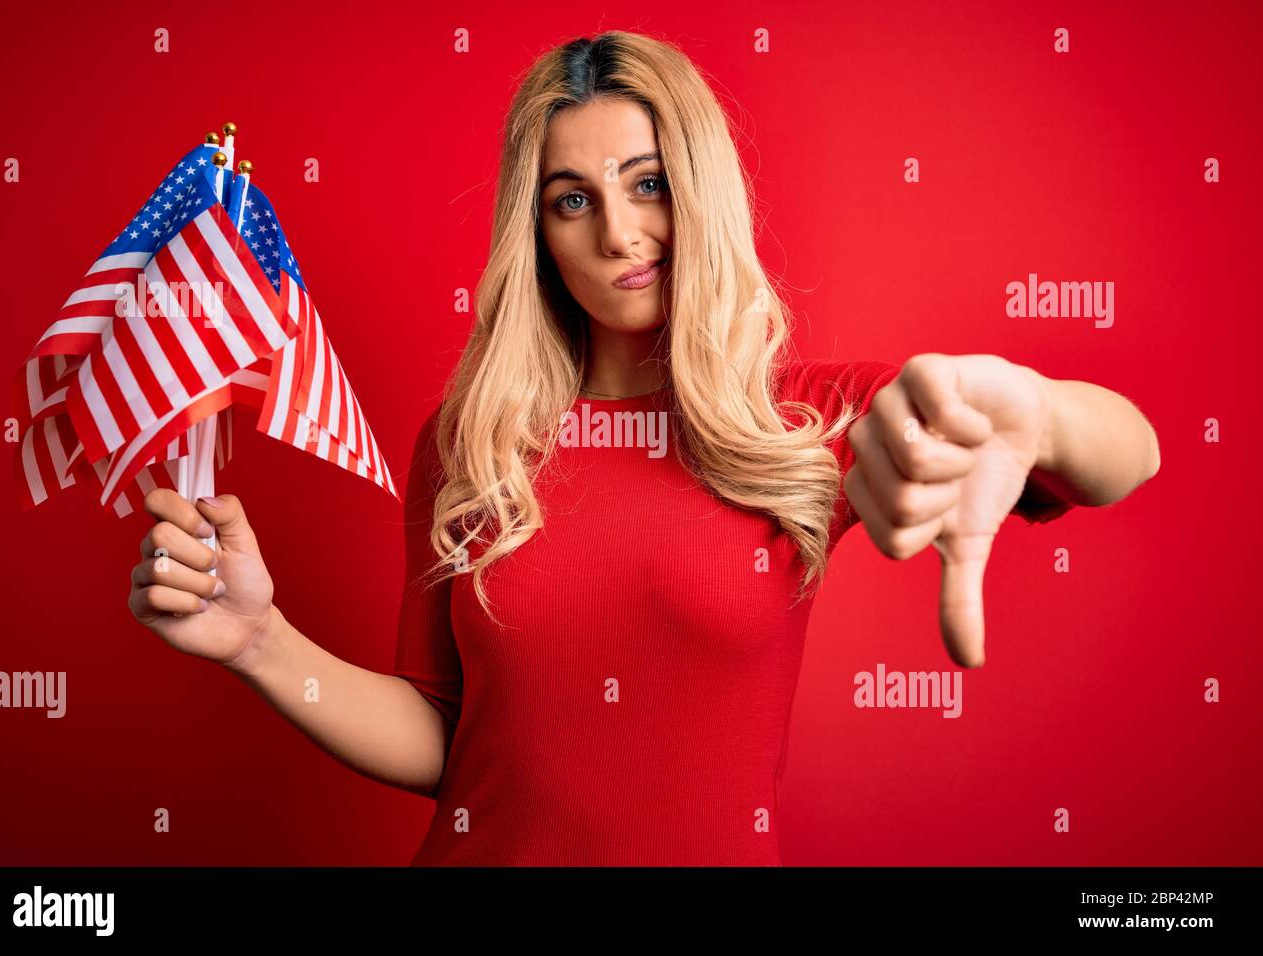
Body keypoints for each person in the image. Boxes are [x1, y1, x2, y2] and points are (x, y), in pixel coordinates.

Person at [126, 31, 1160, 866]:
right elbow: (447, 736)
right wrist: (260, 640)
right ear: (538, 235)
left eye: (649, 183)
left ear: (700, 191)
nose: (618, 232)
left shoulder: (804, 420)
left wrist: (1040, 408)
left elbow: (1130, 451)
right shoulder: (469, 439)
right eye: (572, 200)